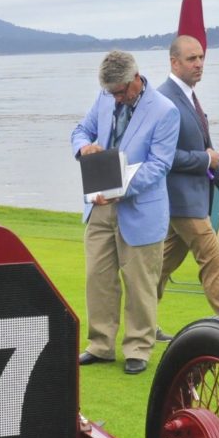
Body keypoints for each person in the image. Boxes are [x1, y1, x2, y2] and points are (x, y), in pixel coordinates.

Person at [70, 50, 179, 375]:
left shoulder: (165, 111)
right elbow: (81, 130)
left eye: (120, 91)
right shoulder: (104, 97)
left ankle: (138, 347)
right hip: (99, 207)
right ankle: (100, 344)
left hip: (138, 208)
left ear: (135, 79)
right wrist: (83, 148)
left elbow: (159, 165)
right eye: (111, 92)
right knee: (98, 277)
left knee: (140, 282)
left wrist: (117, 188)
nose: (116, 98)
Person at [155, 35, 219, 327]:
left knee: (158, 269)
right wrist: (205, 160)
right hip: (182, 203)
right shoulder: (163, 99)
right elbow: (164, 157)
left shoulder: (190, 97)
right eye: (192, 59)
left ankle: (141, 322)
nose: (199, 64)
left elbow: (209, 148)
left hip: (190, 202)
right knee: (213, 265)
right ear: (174, 62)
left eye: (202, 57)